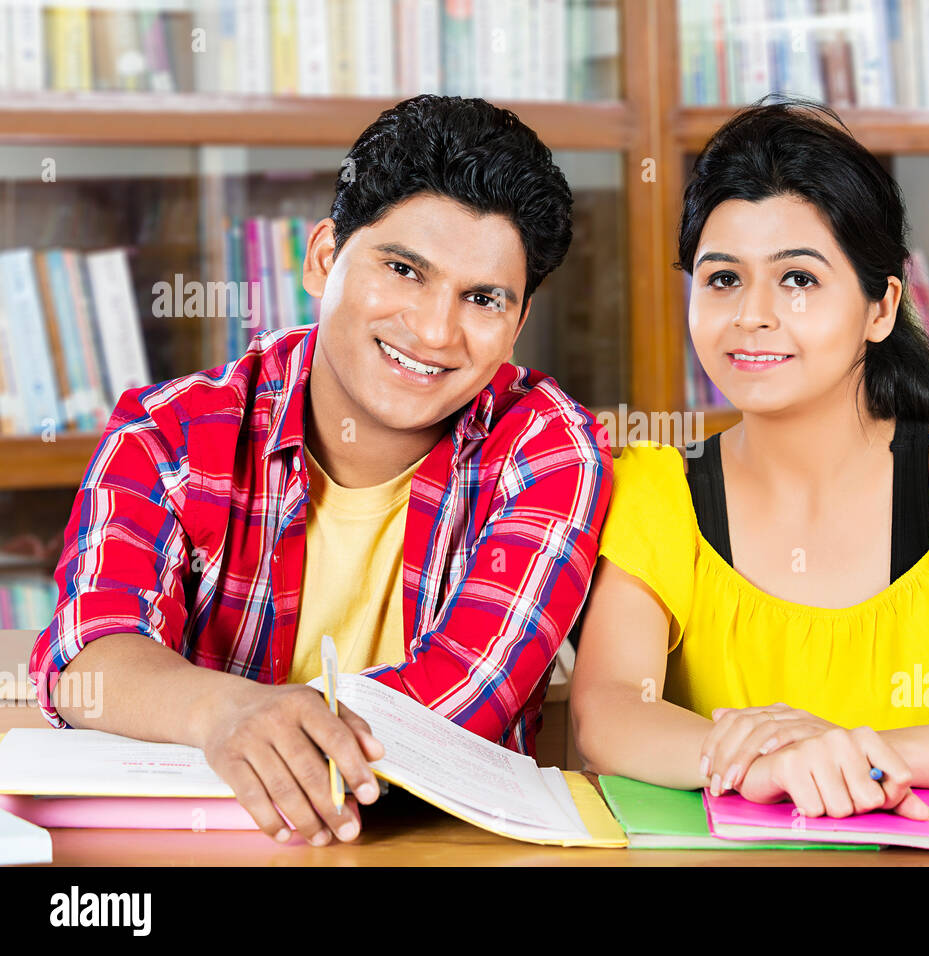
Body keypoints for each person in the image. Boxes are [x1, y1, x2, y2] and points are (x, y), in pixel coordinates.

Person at [29, 95, 612, 846]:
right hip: (200, 848)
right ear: (324, 257)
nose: (434, 331)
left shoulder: (549, 450)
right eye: (403, 269)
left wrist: (248, 718)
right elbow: (90, 657)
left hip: (429, 851)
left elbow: (468, 695)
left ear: (519, 323)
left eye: (482, 299)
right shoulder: (170, 431)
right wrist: (226, 713)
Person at [570, 97, 929, 821]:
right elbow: (604, 717)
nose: (752, 313)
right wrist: (775, 759)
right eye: (722, 279)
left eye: (798, 279)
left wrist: (859, 755)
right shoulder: (658, 488)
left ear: (882, 308)